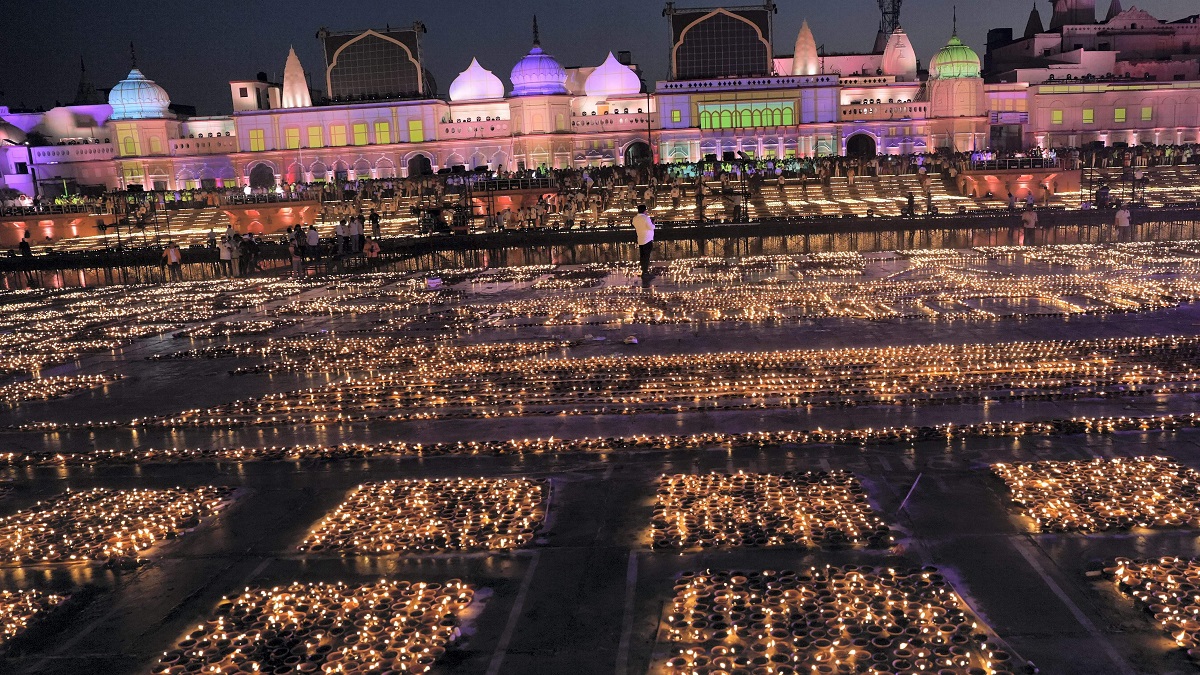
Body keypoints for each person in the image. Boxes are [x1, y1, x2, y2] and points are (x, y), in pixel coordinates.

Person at [632, 203, 655, 280]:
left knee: (642, 256)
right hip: (647, 239)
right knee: (646, 256)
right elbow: (651, 227)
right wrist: (653, 223)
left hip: (640, 239)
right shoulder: (646, 218)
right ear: (644, 211)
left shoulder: (635, 219)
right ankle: (645, 272)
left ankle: (644, 271)